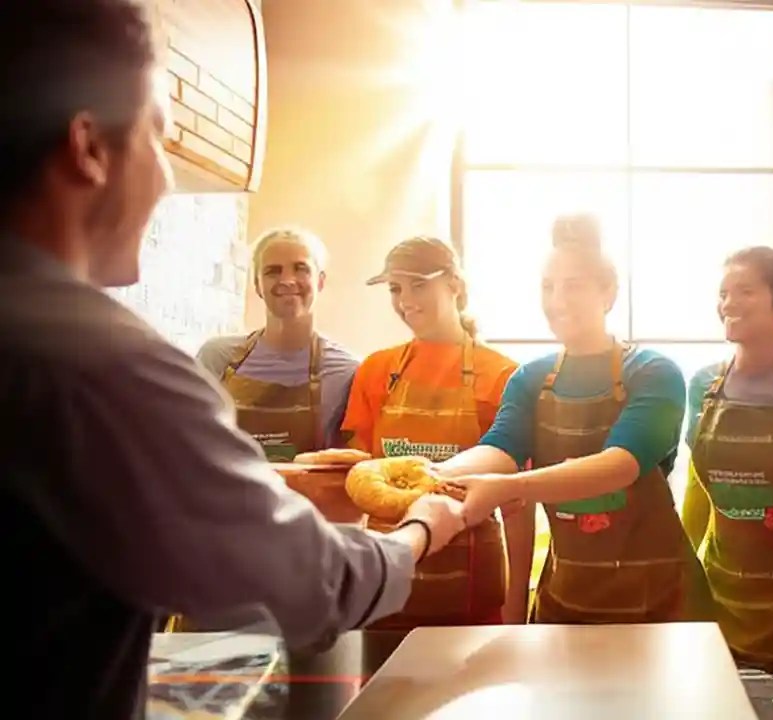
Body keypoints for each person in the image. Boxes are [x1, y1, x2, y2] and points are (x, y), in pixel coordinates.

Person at [0, 3, 465, 717]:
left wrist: (277, 479)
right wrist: (422, 528)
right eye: (158, 137)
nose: (162, 178)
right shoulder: (110, 366)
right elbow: (320, 585)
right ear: (89, 148)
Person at [430, 213, 712, 624]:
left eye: (573, 285)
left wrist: (506, 487)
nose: (557, 300)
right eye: (548, 286)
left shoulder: (654, 373)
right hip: (567, 602)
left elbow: (621, 465)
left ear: (609, 293)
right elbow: (500, 446)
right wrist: (434, 474)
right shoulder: (531, 378)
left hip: (662, 607)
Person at [342, 236, 520, 627]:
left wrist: (517, 612)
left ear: (454, 283)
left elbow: (516, 504)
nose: (405, 300)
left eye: (418, 284)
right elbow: (361, 482)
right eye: (395, 288)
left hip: (472, 584)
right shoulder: (375, 370)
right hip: (389, 579)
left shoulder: (503, 374)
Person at [680, 246, 773, 673]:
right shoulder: (704, 385)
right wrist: (683, 587)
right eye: (724, 292)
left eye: (744, 291)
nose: (728, 303)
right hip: (719, 600)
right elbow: (697, 494)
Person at [196, 227, 358, 460]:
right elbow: (190, 441)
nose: (288, 280)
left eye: (301, 269)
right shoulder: (217, 357)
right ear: (257, 285)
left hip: (306, 497)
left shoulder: (347, 370)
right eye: (273, 271)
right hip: (227, 495)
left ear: (320, 281)